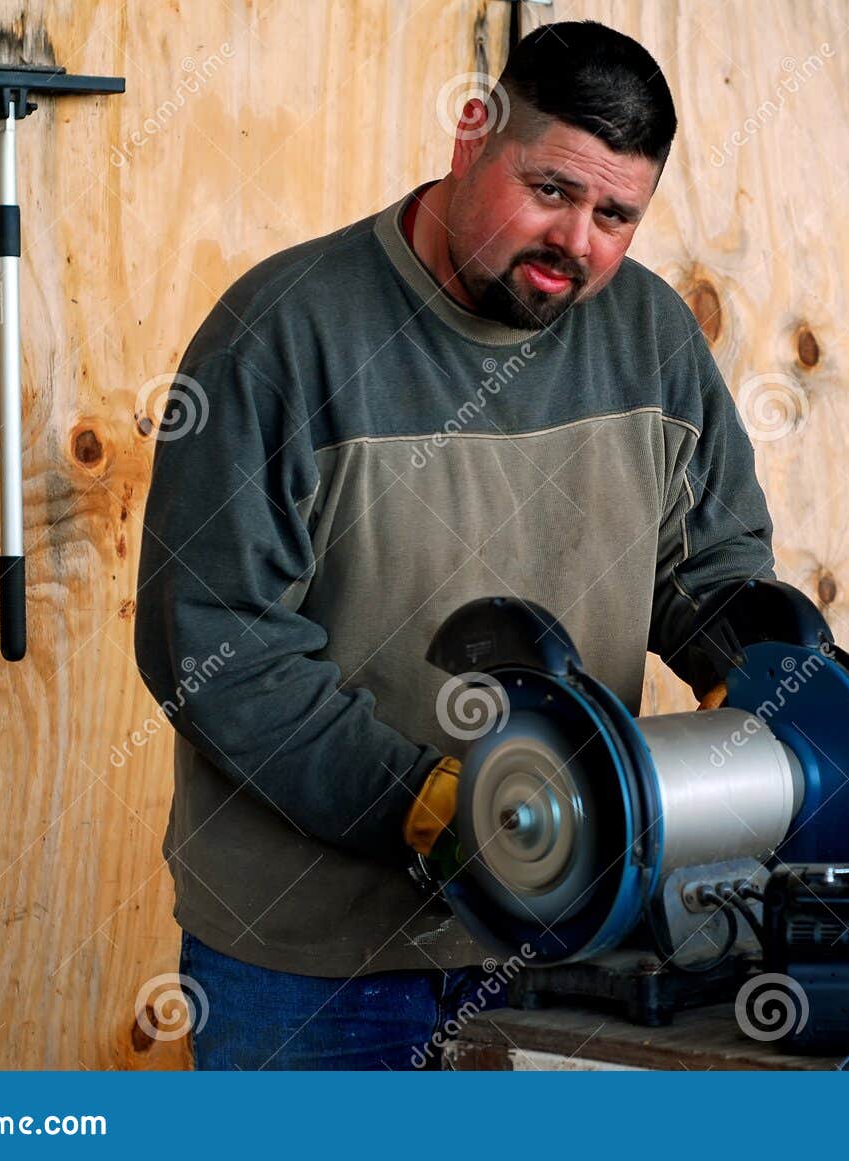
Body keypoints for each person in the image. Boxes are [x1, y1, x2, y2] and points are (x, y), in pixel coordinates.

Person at [133, 19, 775, 1070]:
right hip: (314, 964)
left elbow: (709, 567)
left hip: (569, 941)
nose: (577, 242)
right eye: (551, 190)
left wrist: (755, 673)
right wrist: (433, 802)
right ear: (472, 134)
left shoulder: (651, 336)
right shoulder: (283, 333)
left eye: (616, 215)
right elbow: (215, 642)